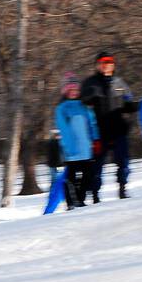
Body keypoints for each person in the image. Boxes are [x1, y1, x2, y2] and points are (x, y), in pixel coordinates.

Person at [80, 52, 138, 200]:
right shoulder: (90, 83)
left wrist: (137, 105)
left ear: (113, 65)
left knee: (123, 162)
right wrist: (89, 96)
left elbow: (127, 104)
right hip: (99, 133)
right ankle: (95, 195)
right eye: (102, 63)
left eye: (109, 63)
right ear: (97, 65)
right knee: (97, 166)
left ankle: (122, 189)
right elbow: (83, 102)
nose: (106, 66)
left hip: (119, 130)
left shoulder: (119, 83)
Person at [54, 73, 99, 208]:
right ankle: (70, 202)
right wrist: (70, 146)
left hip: (85, 148)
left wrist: (95, 139)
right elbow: (64, 129)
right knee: (71, 176)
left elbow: (92, 123)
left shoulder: (84, 106)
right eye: (70, 90)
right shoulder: (62, 109)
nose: (74, 92)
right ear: (66, 91)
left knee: (88, 174)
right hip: (71, 148)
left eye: (76, 90)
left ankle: (80, 199)